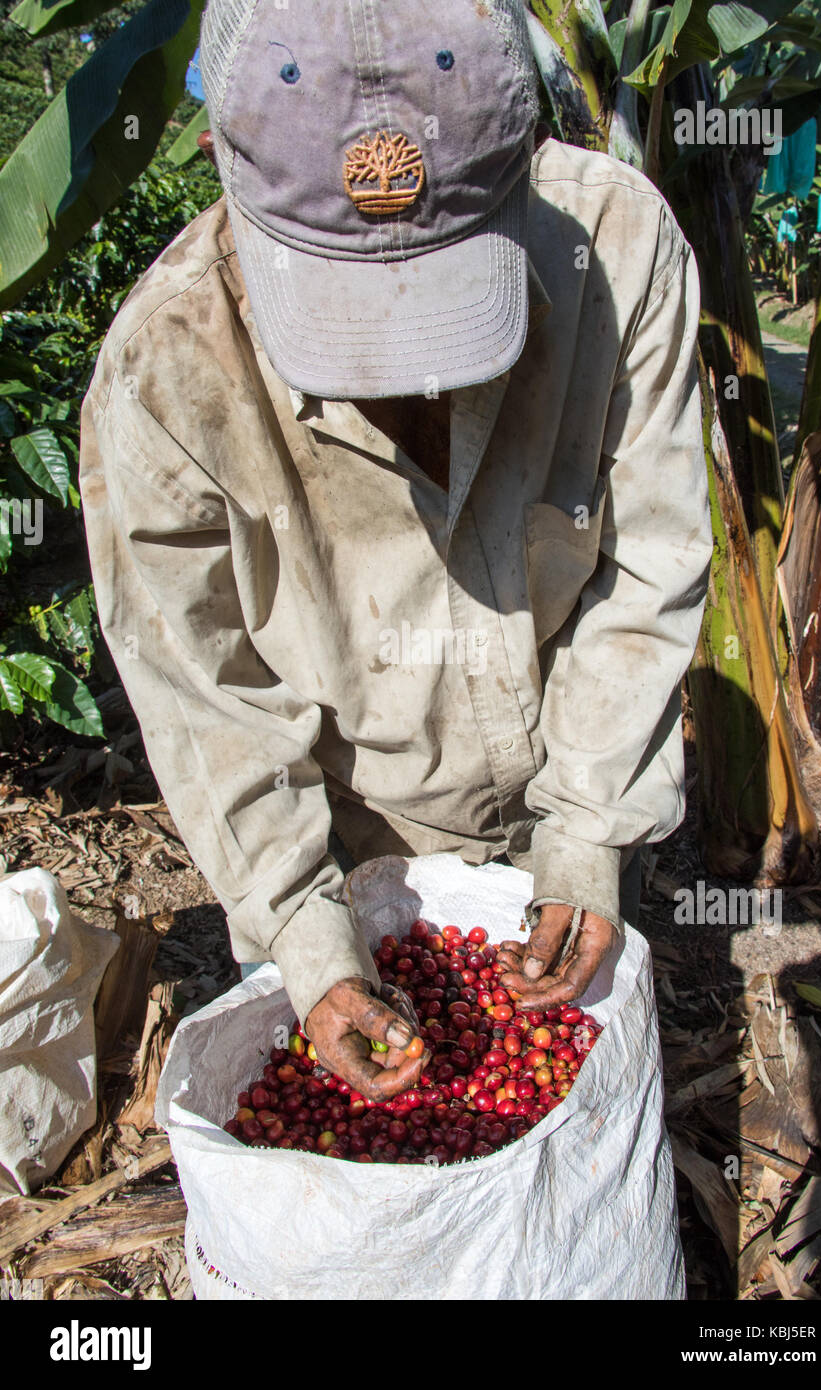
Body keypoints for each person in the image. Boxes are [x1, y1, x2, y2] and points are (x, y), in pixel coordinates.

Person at [80, 0, 711, 1101]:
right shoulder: (165, 371)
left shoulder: (615, 249)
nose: (413, 375)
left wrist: (585, 834)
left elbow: (645, 562)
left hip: (573, 770)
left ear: (523, 162)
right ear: (220, 172)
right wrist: (310, 939)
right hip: (348, 832)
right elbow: (203, 694)